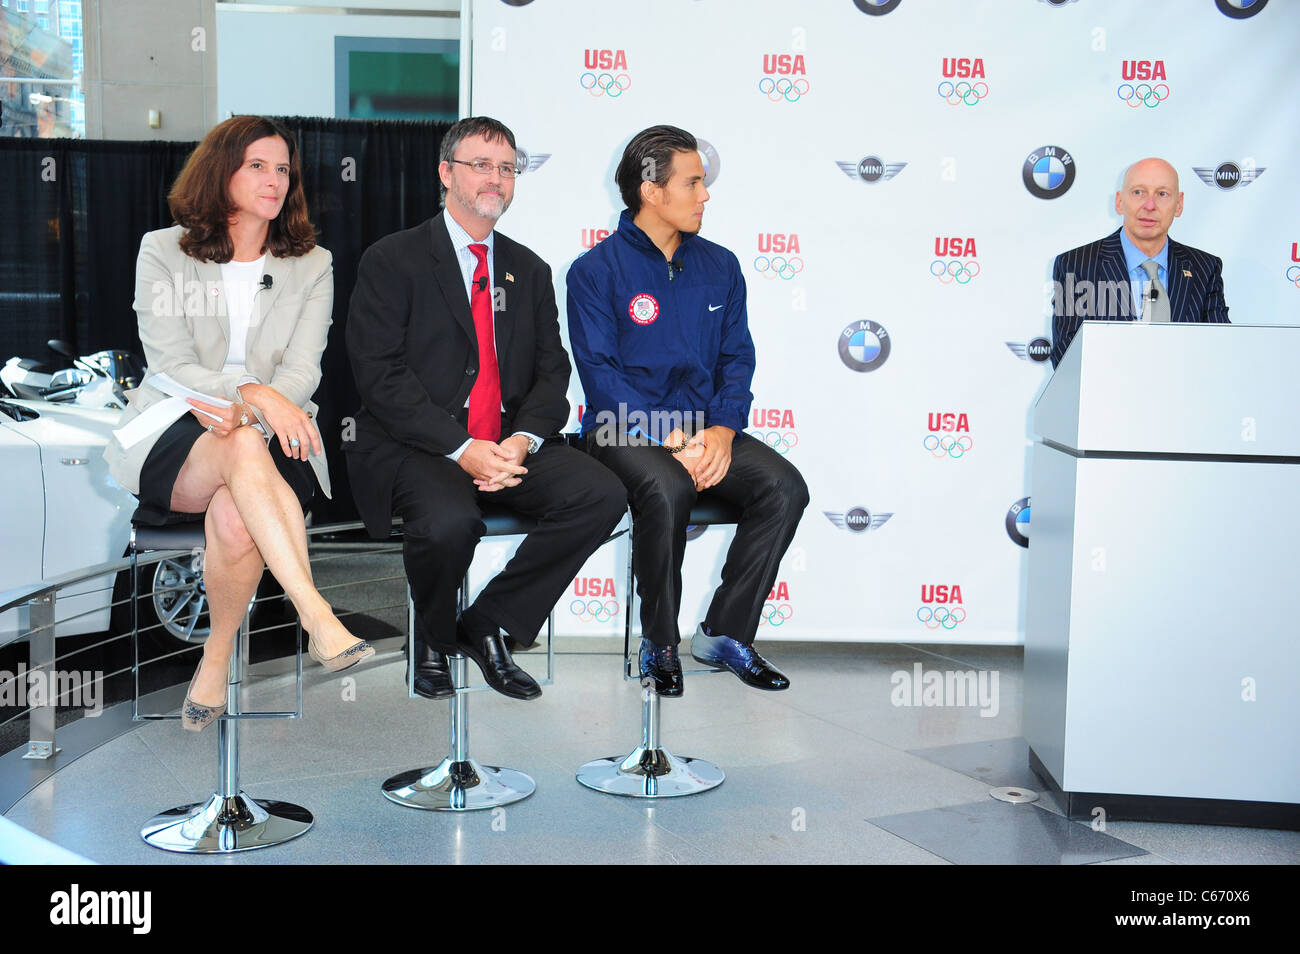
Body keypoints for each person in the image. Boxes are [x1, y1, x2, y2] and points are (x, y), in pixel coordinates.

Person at [105, 116, 373, 732]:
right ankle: (315, 613)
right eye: (257, 165)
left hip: (274, 431)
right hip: (175, 423)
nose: (274, 180)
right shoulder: (163, 250)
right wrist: (252, 393)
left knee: (234, 510)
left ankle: (216, 651)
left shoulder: (313, 264)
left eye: (283, 169)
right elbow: (170, 364)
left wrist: (261, 406)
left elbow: (304, 370)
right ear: (220, 169)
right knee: (244, 443)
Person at [345, 116, 626, 702]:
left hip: (506, 441)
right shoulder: (392, 259)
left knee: (600, 494)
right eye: (481, 165)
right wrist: (462, 448)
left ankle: (489, 621)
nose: (495, 179)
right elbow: (380, 376)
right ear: (445, 173)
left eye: (506, 168)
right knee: (449, 523)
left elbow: (553, 373)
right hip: (419, 445)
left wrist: (522, 440)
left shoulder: (530, 269)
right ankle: (430, 636)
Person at [566, 124, 809, 697]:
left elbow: (737, 359)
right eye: (694, 182)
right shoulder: (594, 271)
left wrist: (723, 431)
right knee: (669, 486)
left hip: (707, 429)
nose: (706, 195)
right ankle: (660, 643)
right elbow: (602, 378)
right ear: (652, 190)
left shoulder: (720, 266)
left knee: (784, 487)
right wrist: (673, 438)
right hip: (620, 428)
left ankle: (726, 634)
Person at [1049, 156, 1230, 368]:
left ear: (1179, 204)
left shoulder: (1204, 268)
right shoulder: (1076, 265)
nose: (1150, 205)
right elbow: (1066, 356)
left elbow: (1220, 349)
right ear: (1119, 201)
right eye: (1138, 192)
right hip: (1108, 398)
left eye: (1162, 194)